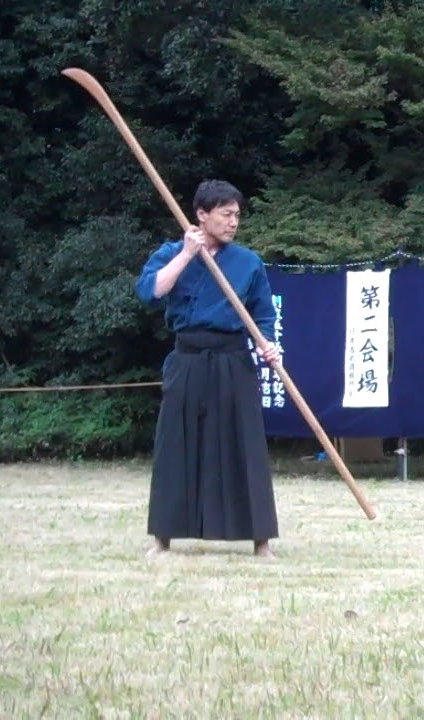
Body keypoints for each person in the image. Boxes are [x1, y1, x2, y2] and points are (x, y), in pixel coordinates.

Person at [134, 179, 281, 558]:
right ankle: (163, 538)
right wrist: (186, 254)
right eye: (226, 214)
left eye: (237, 215)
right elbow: (150, 292)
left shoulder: (248, 262)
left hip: (234, 359)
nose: (234, 222)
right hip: (187, 359)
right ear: (202, 215)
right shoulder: (170, 252)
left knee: (243, 445)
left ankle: (260, 540)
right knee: (175, 444)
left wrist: (269, 344)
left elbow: (263, 315)